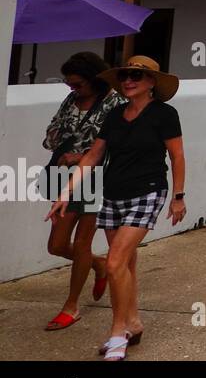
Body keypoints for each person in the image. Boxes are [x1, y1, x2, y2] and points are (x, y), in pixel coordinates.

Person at [48, 56, 186, 361]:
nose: (128, 80)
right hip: (112, 194)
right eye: (124, 75)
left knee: (113, 263)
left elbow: (176, 157)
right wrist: (66, 193)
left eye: (136, 76)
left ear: (151, 83)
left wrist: (178, 196)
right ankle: (133, 322)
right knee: (125, 266)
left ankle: (117, 333)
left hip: (147, 192)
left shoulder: (164, 114)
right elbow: (93, 157)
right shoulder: (115, 115)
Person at [40, 52, 124, 332]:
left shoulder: (114, 102)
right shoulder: (71, 100)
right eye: (69, 84)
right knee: (56, 245)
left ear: (93, 79)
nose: (72, 88)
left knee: (83, 242)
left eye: (77, 84)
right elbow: (51, 136)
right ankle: (98, 264)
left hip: (95, 178)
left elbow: (119, 142)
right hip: (64, 178)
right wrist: (62, 142)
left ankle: (71, 306)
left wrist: (84, 155)